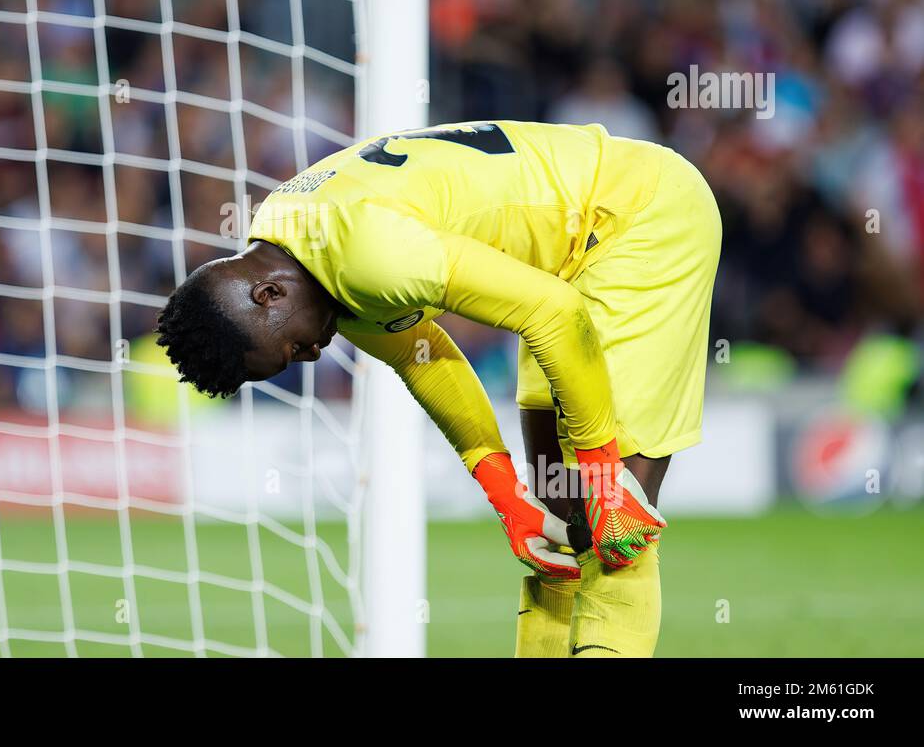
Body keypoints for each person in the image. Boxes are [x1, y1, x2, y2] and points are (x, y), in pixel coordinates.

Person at [155, 120, 722, 657]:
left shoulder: (367, 255)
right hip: (572, 258)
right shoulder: (305, 256)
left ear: (267, 296)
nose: (310, 355)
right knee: (559, 522)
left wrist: (601, 466)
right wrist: (504, 495)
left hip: (642, 217)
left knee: (614, 524)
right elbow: (426, 360)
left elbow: (553, 313)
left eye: (288, 351)